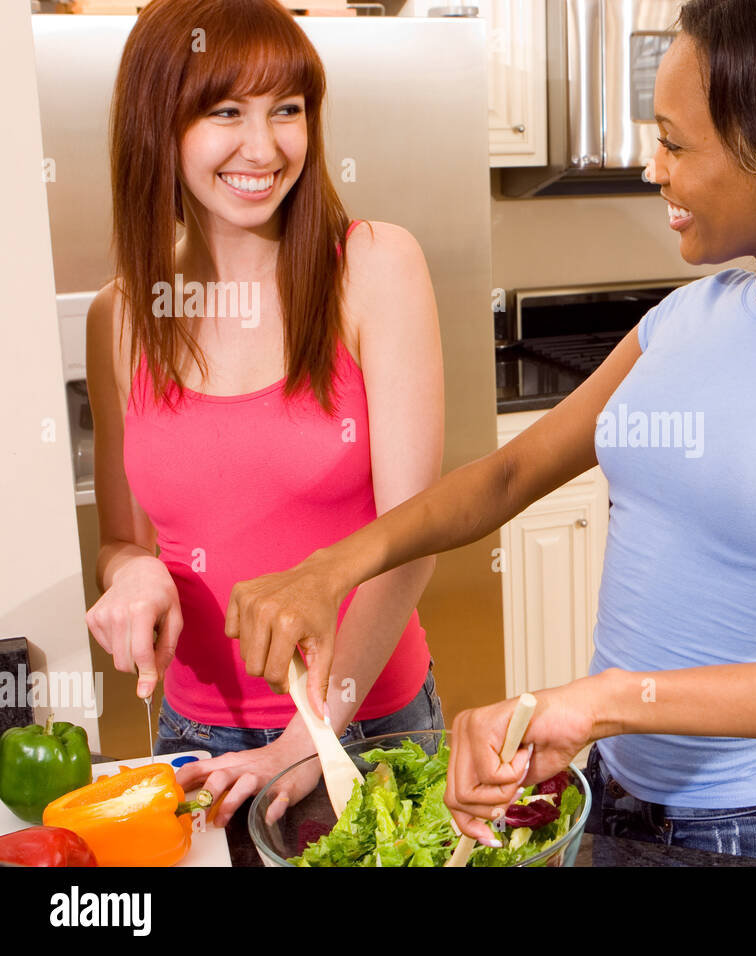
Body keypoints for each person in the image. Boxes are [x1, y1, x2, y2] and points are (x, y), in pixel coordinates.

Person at [225, 0, 756, 864]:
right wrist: (331, 568)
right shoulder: (686, 317)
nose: (656, 169)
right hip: (609, 792)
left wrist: (608, 700)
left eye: (675, 145)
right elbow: (507, 477)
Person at [83, 0, 445, 828]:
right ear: (158, 125)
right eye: (225, 112)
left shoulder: (374, 268)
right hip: (192, 739)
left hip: (366, 728)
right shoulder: (122, 318)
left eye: (286, 109)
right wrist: (131, 572)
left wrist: (308, 733)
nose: (264, 146)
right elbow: (121, 542)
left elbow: (413, 538)